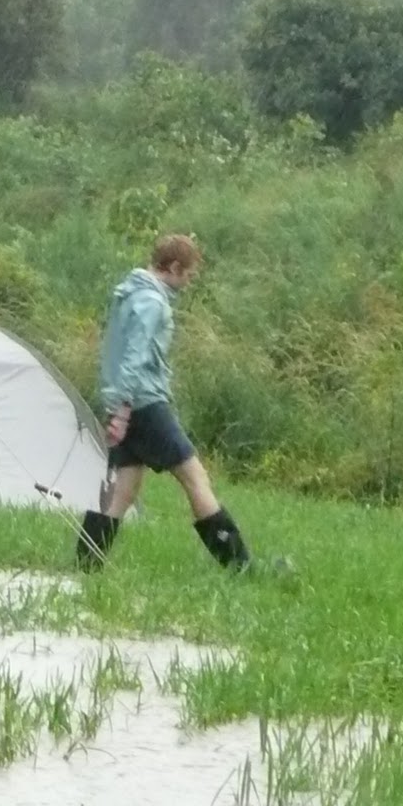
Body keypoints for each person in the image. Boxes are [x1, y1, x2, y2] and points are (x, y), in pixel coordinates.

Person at [75, 234, 254, 572]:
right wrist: (125, 411)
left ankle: (87, 563)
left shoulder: (127, 293)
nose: (189, 281)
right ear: (173, 267)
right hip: (143, 404)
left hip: (123, 400)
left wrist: (115, 405)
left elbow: (114, 349)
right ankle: (238, 565)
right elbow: (135, 356)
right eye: (189, 274)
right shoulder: (152, 303)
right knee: (195, 478)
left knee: (123, 489)